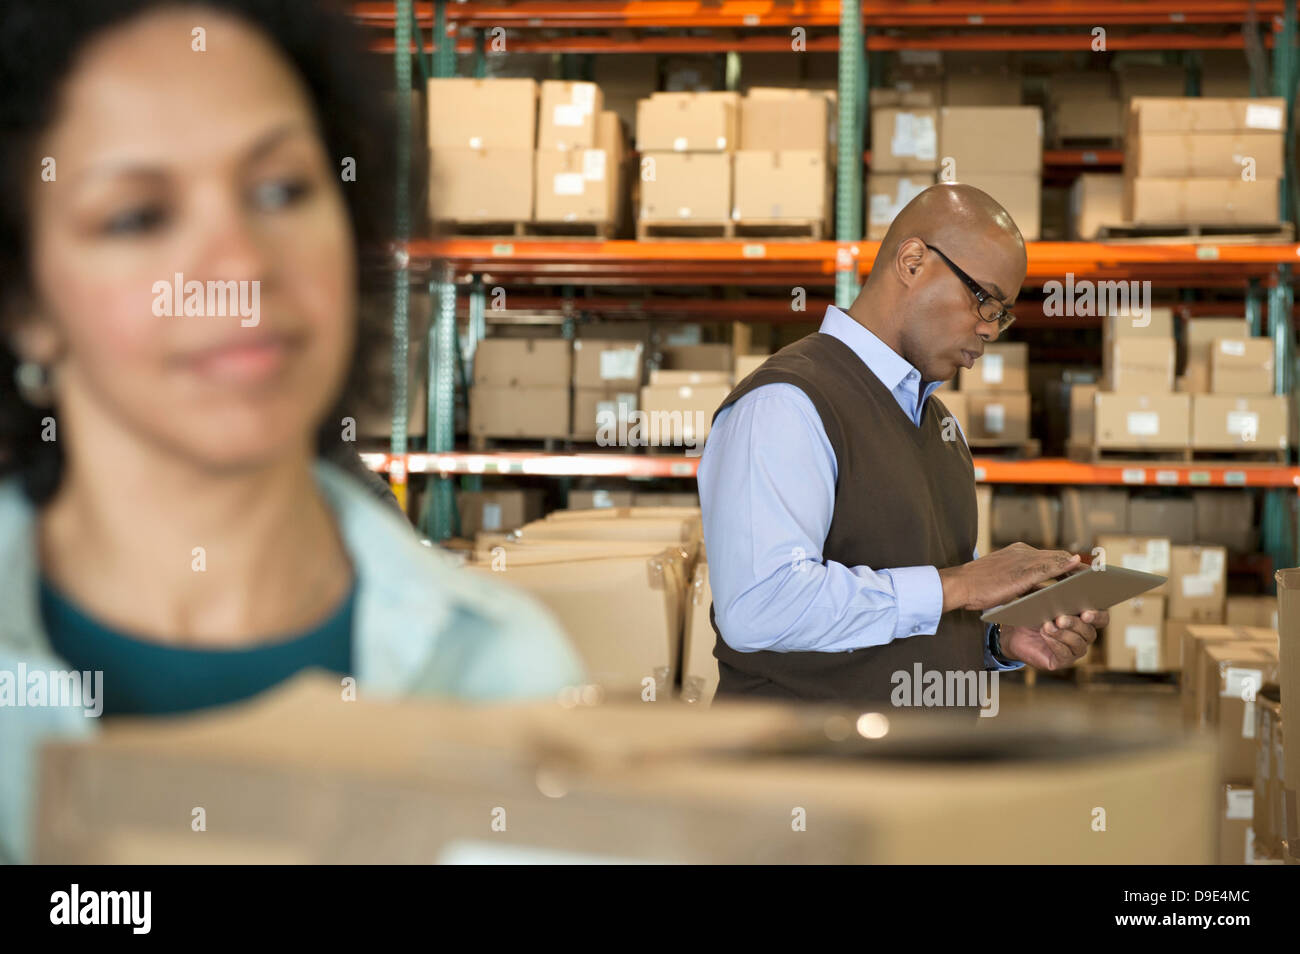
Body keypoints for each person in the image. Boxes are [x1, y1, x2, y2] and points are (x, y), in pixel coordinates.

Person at [0, 0, 583, 863]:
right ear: (27, 305)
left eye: (282, 191)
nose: (240, 265)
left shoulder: (507, 666)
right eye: (138, 216)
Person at [698, 183, 1109, 706]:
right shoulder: (787, 403)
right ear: (913, 262)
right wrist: (960, 585)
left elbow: (913, 614)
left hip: (913, 776)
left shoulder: (940, 429)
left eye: (1002, 314)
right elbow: (761, 606)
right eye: (984, 301)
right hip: (802, 775)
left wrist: (997, 639)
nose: (990, 330)